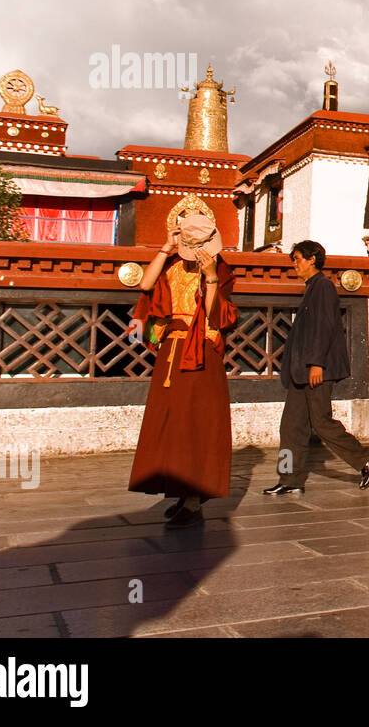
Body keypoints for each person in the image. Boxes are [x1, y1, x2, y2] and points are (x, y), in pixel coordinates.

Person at [128, 213, 236, 529]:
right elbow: (146, 285)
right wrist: (165, 247)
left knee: (195, 423)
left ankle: (193, 499)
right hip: (171, 355)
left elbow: (215, 315)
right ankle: (179, 491)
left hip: (200, 354)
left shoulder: (221, 269)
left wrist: (212, 276)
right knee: (170, 423)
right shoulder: (172, 266)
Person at [264, 240, 369, 496]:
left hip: (316, 369)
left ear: (312, 259)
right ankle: (289, 478)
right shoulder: (310, 289)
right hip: (299, 372)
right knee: (290, 427)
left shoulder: (324, 287)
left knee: (321, 422)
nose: (295, 264)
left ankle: (365, 458)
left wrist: (316, 363)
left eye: (297, 259)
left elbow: (325, 328)